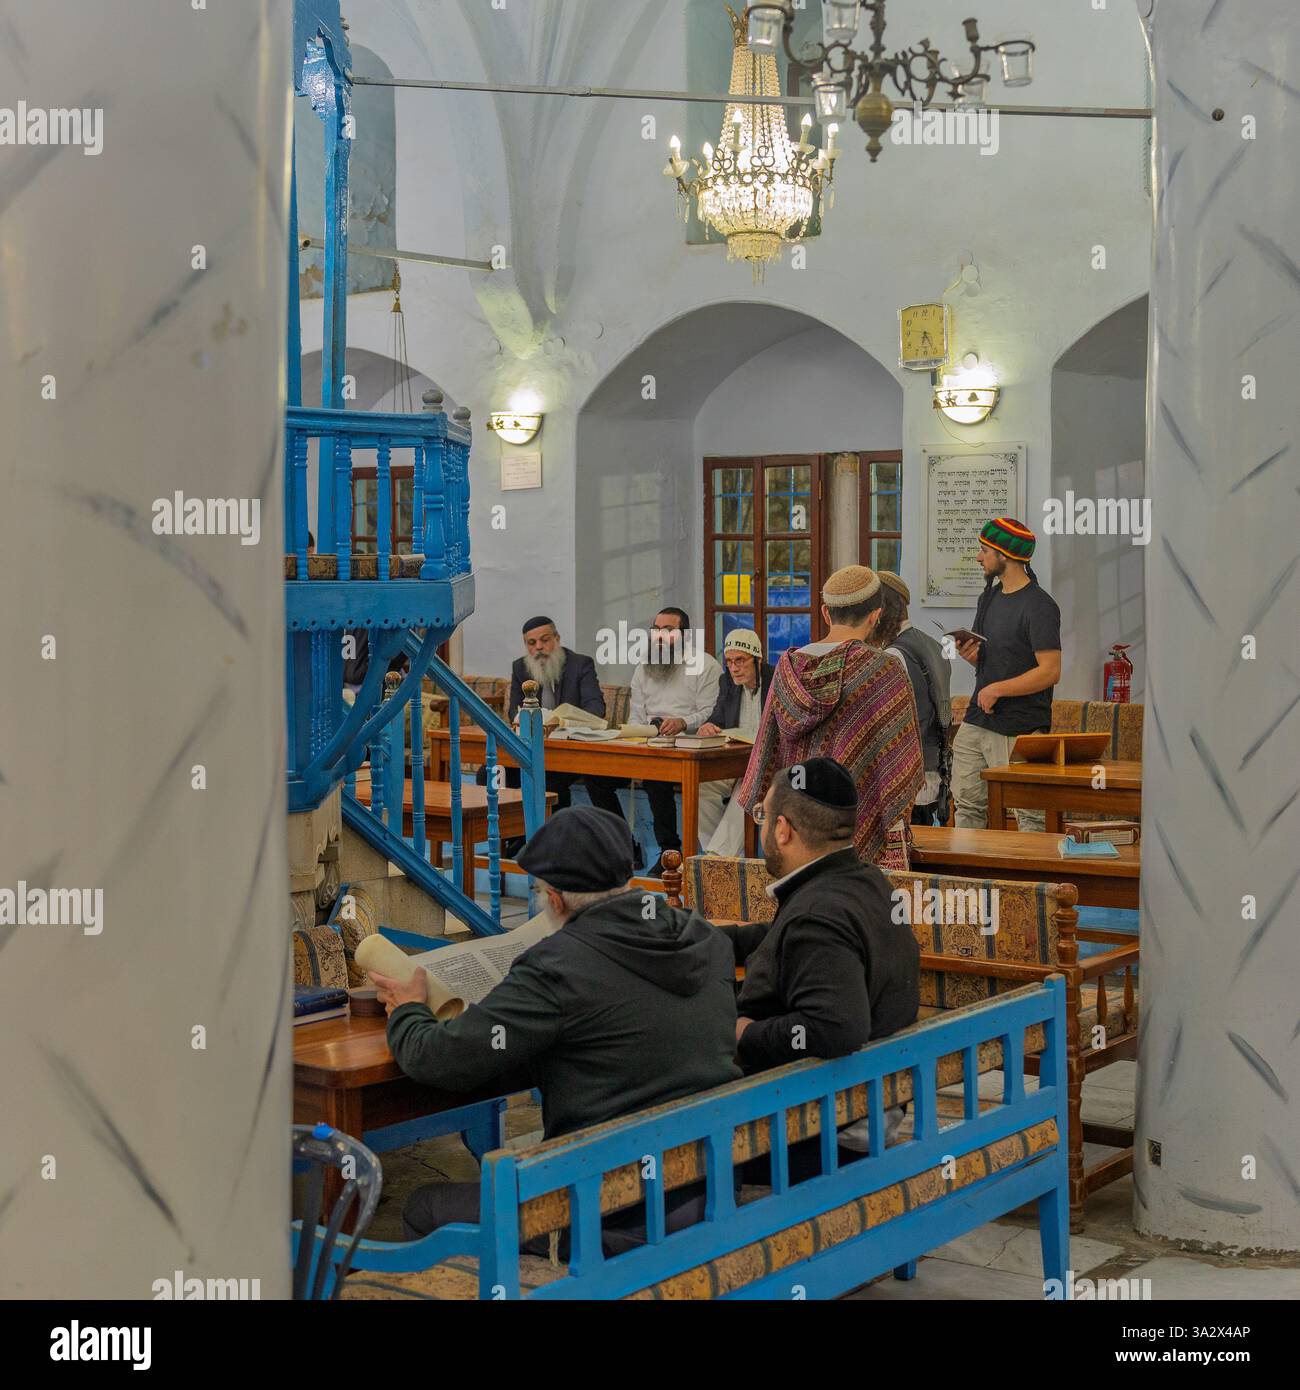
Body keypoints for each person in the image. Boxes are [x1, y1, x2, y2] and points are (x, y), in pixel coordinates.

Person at [369, 805, 741, 1251]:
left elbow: (440, 1059)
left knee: (426, 1207)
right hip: (707, 1188)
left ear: (556, 899)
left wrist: (409, 1009)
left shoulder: (558, 967)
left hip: (607, 1212)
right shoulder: (704, 938)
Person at [723, 759, 919, 1172]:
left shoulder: (817, 915)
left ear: (783, 830)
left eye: (763, 815)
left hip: (818, 1128)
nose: (762, 827)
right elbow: (795, 943)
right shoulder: (864, 881)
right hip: (865, 1101)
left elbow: (837, 1027)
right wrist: (713, 942)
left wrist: (749, 1033)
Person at [736, 565, 923, 870]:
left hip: (796, 824)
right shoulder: (884, 670)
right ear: (875, 615)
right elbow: (902, 763)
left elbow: (766, 752)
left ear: (825, 613)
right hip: (856, 822)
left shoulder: (787, 668)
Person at [951, 519, 1061, 832]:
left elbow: (1051, 671)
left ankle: (1032, 881)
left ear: (1004, 555)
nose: (978, 557)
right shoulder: (988, 598)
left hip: (1020, 728)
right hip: (977, 720)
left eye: (984, 550)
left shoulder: (1040, 606)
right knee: (967, 808)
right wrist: (973, 658)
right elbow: (994, 663)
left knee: (1030, 817)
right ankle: (968, 878)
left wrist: (997, 688)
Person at [490, 616, 626, 854]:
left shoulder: (580, 664)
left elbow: (596, 709)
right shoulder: (520, 667)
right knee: (491, 772)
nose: (538, 648)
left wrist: (560, 721)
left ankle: (554, 845)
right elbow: (513, 710)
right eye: (531, 643)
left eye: (544, 640)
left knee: (550, 779)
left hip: (569, 752)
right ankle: (515, 835)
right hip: (532, 748)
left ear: (557, 639)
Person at [628, 607, 723, 876]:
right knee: (597, 778)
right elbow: (636, 713)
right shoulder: (643, 667)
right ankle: (623, 847)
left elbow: (710, 712)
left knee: (656, 777)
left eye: (668, 630)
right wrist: (643, 731)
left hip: (691, 746)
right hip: (651, 744)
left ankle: (671, 852)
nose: (660, 636)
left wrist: (683, 722)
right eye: (656, 629)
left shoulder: (705, 666)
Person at [873, 573, 952, 826]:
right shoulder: (933, 644)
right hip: (936, 775)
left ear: (881, 610)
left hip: (909, 782)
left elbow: (888, 727)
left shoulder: (894, 655)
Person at [695, 628, 774, 856]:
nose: (734, 668)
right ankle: (720, 856)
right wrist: (707, 726)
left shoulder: (776, 679)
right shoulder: (727, 682)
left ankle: (718, 858)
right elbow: (717, 717)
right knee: (702, 787)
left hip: (768, 765)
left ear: (758, 659)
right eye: (729, 662)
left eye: (740, 660)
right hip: (737, 762)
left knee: (746, 788)